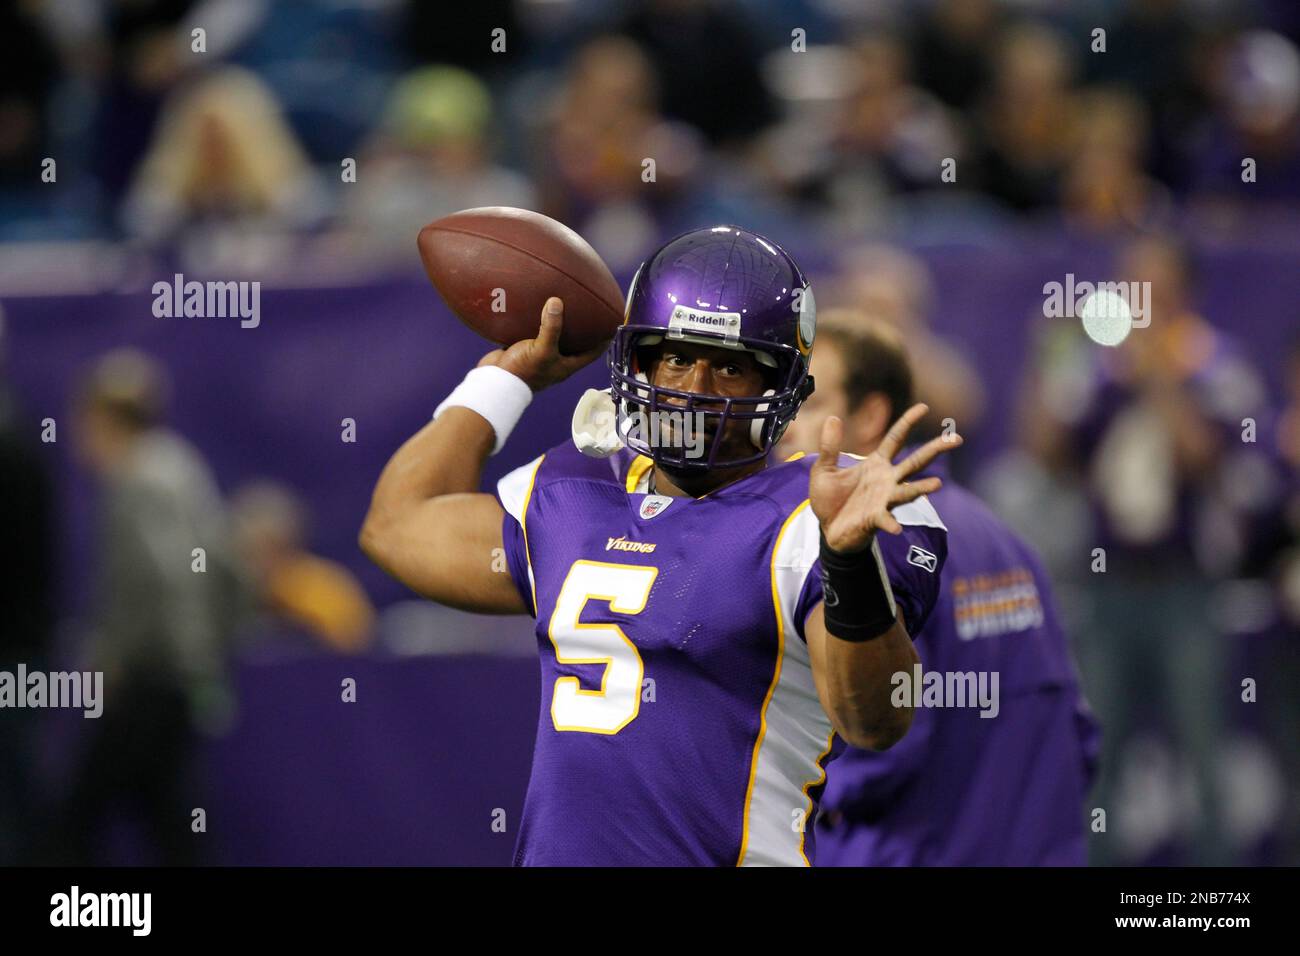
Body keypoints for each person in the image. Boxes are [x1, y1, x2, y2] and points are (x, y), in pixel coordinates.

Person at [360, 226, 960, 866]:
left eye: (729, 366)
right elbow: (397, 527)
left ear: (783, 387)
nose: (694, 387)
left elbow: (874, 720)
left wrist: (849, 563)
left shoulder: (809, 515)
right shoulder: (576, 490)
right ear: (636, 361)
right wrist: (503, 384)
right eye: (674, 357)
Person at [780, 317, 1099, 865]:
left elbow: (878, 750)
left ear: (872, 415)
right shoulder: (1002, 537)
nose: (785, 425)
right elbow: (1078, 734)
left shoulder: (875, 548)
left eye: (808, 405)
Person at [57, 349, 241, 865]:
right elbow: (226, 571)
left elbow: (161, 579)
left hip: (151, 679)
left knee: (78, 813)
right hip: (183, 677)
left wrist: (116, 659)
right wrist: (210, 653)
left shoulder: (136, 478)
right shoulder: (182, 465)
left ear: (102, 418)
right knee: (166, 815)